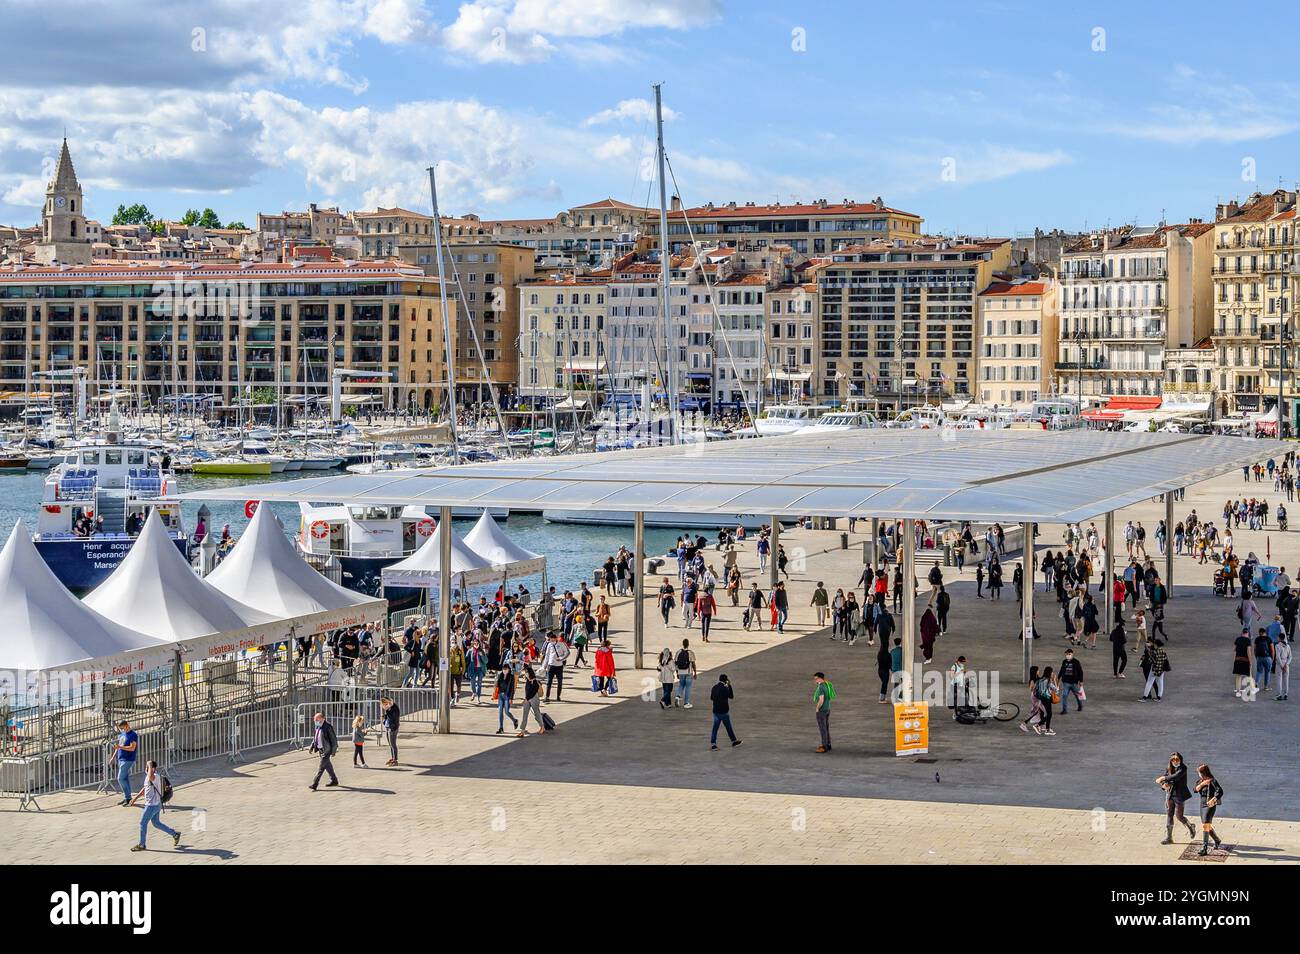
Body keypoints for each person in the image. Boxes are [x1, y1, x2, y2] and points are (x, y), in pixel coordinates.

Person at [128, 760, 180, 852]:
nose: (145, 768)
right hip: (155, 804)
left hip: (152, 805)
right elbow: (145, 788)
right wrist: (135, 798)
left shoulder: (155, 776)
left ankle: (141, 844)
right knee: (156, 823)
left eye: (147, 767)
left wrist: (149, 764)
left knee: (142, 823)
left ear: (152, 769)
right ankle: (174, 834)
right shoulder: (148, 777)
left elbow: (151, 777)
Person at [1155, 752, 1197, 845]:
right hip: (1170, 794)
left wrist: (1163, 778)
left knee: (1179, 816)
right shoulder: (1169, 768)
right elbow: (1166, 780)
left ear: (1180, 759)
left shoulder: (1183, 768)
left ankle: (1190, 826)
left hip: (1179, 795)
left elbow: (1175, 777)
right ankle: (1169, 837)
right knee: (1169, 814)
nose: (1175, 761)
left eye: (1177, 759)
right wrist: (1163, 785)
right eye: (1173, 760)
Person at [1193, 764, 1225, 855]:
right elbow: (1194, 790)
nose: (1198, 774)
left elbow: (1220, 791)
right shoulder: (1200, 781)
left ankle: (1204, 847)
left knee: (1205, 825)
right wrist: (1202, 784)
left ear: (1203, 773)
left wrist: (1213, 799)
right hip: (1202, 805)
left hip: (1210, 805)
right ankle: (1217, 840)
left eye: (1199, 773)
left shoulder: (1213, 781)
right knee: (1206, 824)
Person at [709, 673, 741, 749]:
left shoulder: (714, 687)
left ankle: (713, 744)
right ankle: (734, 741)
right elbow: (731, 696)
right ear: (726, 680)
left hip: (716, 711)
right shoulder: (725, 688)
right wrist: (729, 685)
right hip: (724, 711)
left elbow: (711, 698)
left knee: (715, 728)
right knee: (728, 727)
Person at [308, 712, 339, 790]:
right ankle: (334, 780)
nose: (315, 721)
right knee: (328, 766)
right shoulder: (318, 726)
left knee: (321, 768)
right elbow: (315, 737)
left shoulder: (327, 727)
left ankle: (315, 783)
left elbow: (333, 740)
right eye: (314, 719)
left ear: (322, 719)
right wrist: (312, 746)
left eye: (316, 719)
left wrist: (333, 751)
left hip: (327, 750)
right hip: (320, 749)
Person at [113, 719, 138, 806]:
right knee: (125, 779)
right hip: (121, 759)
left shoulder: (133, 735)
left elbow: (132, 748)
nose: (123, 730)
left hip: (128, 759)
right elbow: (118, 747)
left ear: (127, 725)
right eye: (121, 729)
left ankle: (128, 797)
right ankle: (127, 798)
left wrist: (120, 747)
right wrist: (113, 756)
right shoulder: (122, 734)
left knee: (120, 778)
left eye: (123, 728)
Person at [517, 666, 545, 736]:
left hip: (534, 698)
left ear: (529, 672)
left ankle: (542, 727)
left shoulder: (534, 681)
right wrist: (526, 699)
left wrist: (526, 699)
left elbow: (532, 692)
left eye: (526, 672)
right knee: (525, 714)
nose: (525, 673)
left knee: (537, 713)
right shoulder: (528, 680)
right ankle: (522, 730)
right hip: (527, 698)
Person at [543, 631, 569, 702]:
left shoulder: (561, 644)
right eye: (551, 640)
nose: (552, 641)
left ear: (556, 639)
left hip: (559, 666)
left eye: (553, 640)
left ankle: (558, 696)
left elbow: (567, 653)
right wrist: (544, 667)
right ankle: (547, 697)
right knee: (549, 682)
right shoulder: (549, 645)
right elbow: (547, 656)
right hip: (550, 665)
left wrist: (561, 658)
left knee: (559, 681)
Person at [813, 672, 834, 753]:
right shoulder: (827, 684)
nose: (815, 680)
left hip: (822, 710)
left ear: (820, 678)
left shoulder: (821, 687)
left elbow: (821, 699)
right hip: (827, 709)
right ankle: (828, 744)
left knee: (823, 729)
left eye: (816, 678)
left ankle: (824, 746)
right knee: (826, 728)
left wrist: (817, 708)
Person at [1058, 648, 1084, 713]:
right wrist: (1058, 678)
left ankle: (1080, 706)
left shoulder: (1076, 662)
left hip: (1074, 683)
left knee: (1077, 696)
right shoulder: (1064, 662)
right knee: (1064, 696)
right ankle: (1064, 709)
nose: (1068, 655)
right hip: (1066, 682)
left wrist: (1081, 681)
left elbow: (1080, 671)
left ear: (1072, 654)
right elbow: (1061, 670)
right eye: (1067, 654)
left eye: (1069, 654)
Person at [495, 666, 519, 733]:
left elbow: (512, 689)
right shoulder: (500, 675)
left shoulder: (511, 677)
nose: (504, 670)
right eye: (503, 669)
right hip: (500, 695)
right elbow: (497, 685)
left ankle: (514, 720)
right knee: (500, 712)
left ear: (508, 670)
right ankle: (501, 728)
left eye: (506, 669)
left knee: (506, 711)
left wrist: (511, 698)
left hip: (507, 696)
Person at [674, 638, 697, 708]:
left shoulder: (678, 652)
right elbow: (693, 664)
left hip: (680, 672)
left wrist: (677, 672)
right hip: (688, 672)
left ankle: (678, 696)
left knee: (681, 685)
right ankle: (686, 703)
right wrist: (695, 672)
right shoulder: (690, 652)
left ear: (682, 644)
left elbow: (676, 663)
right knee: (688, 687)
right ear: (688, 644)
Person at [380, 696, 400, 766]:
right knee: (390, 744)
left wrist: (388, 710)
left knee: (393, 744)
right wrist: (385, 716)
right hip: (388, 727)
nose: (384, 706)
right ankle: (393, 758)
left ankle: (395, 760)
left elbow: (393, 718)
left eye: (385, 704)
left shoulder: (394, 708)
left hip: (393, 728)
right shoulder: (389, 709)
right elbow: (389, 717)